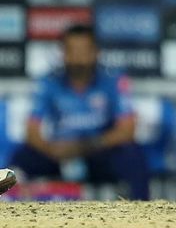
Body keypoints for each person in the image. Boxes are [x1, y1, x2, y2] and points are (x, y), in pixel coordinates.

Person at [6, 24, 149, 199]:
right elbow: (32, 130)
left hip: (98, 150)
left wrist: (88, 146)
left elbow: (127, 129)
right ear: (63, 53)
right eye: (72, 51)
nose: (78, 57)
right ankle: (8, 215)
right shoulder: (48, 82)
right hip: (59, 152)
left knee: (132, 154)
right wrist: (51, 150)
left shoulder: (113, 80)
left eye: (84, 51)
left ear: (96, 52)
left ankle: (143, 212)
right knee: (22, 157)